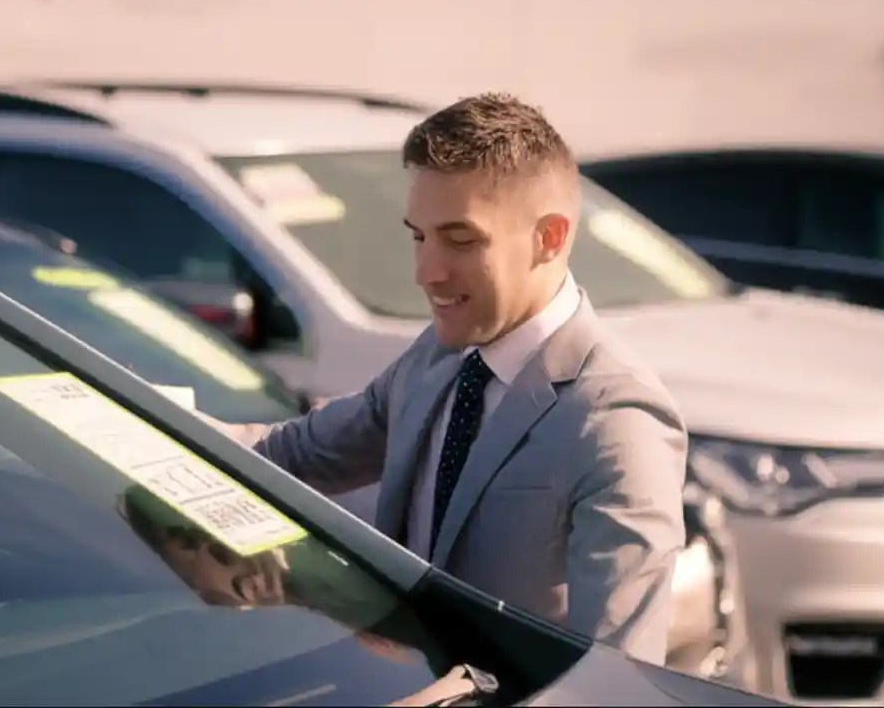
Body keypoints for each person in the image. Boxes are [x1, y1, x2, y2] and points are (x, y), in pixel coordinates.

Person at [209, 92, 688, 665]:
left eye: (461, 240)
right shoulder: (437, 357)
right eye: (419, 236)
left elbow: (616, 678)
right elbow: (292, 455)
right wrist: (134, 429)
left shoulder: (617, 421)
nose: (427, 272)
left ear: (550, 238)